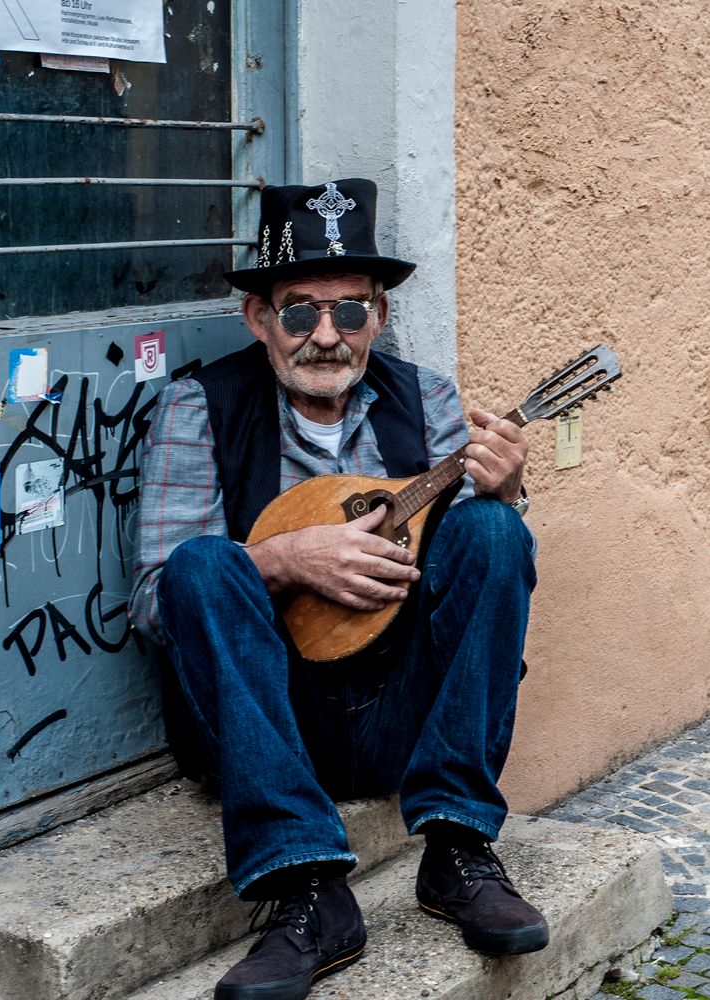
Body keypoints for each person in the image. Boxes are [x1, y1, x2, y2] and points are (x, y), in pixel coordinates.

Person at [129, 178, 545, 1000]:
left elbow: (469, 570)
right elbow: (155, 602)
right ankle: (307, 891)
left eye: (350, 311)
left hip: (402, 716)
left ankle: (457, 850)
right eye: (297, 312)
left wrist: (503, 491)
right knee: (200, 564)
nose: (326, 336)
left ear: (378, 317)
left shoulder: (426, 399)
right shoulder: (196, 407)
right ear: (259, 319)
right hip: (266, 727)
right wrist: (285, 560)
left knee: (496, 531)